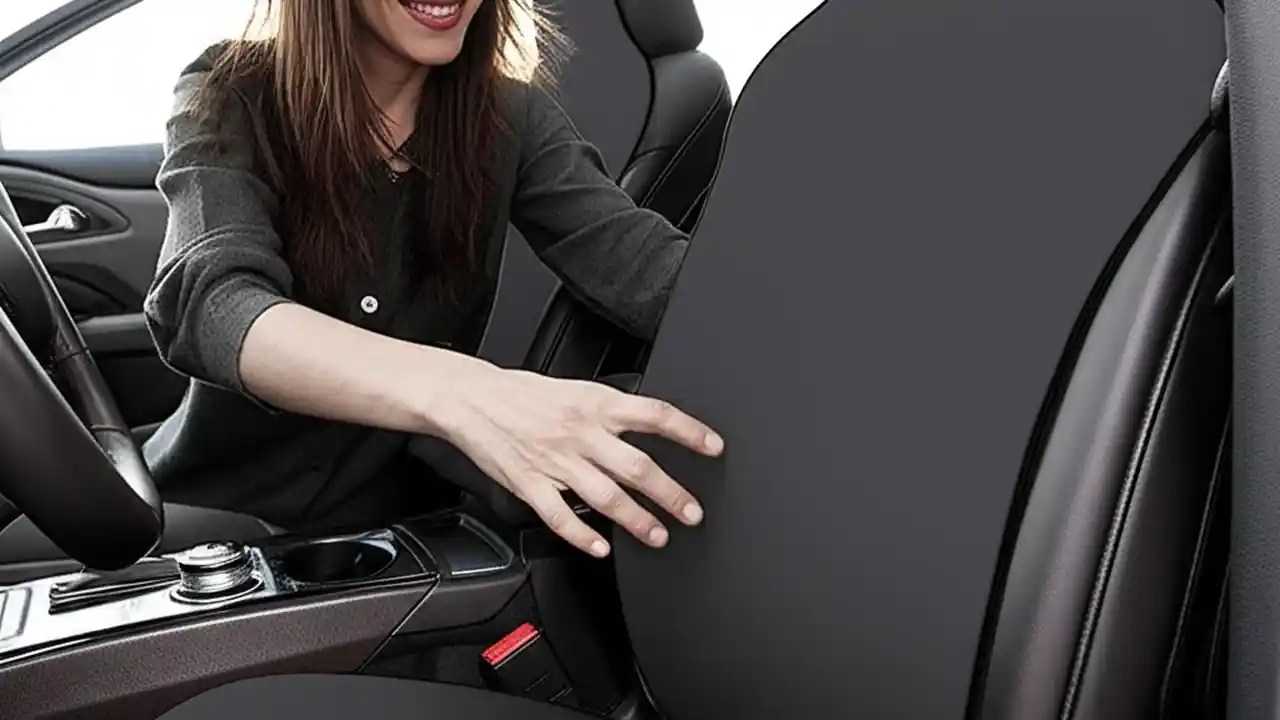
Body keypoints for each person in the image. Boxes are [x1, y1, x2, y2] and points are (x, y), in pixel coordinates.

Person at [141, 0, 723, 559]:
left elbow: (647, 267)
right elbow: (212, 302)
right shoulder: (232, 91)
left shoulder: (512, 119)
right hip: (221, 517)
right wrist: (469, 394)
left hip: (404, 534)